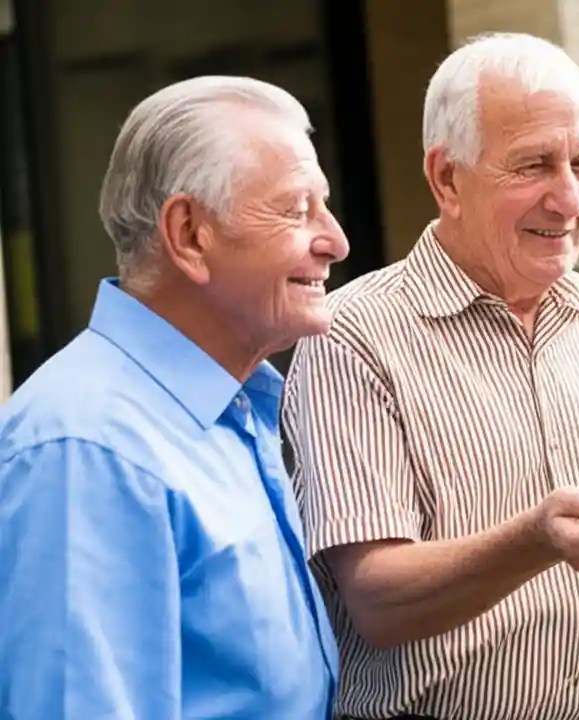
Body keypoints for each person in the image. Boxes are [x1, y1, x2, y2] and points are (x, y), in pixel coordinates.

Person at [282, 33, 579, 720]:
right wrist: (535, 539)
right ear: (446, 179)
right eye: (534, 165)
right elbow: (377, 600)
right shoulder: (354, 337)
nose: (567, 198)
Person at [0, 76, 348, 718]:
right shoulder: (88, 451)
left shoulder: (232, 411)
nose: (335, 241)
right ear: (189, 234)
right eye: (297, 209)